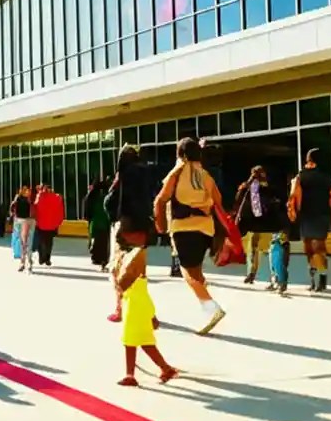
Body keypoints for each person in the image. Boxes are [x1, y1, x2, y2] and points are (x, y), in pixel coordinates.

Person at [154, 137, 226, 335]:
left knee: (186, 273)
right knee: (196, 271)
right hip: (205, 229)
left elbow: (161, 199)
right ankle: (206, 309)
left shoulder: (177, 173)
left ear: (181, 154)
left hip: (183, 228)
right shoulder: (205, 175)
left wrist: (159, 224)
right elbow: (218, 201)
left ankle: (212, 309)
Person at [112, 228, 177, 387]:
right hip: (133, 305)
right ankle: (153, 370)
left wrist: (152, 315)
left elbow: (127, 285)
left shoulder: (136, 257)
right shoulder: (129, 257)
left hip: (137, 306)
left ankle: (159, 369)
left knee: (136, 341)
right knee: (136, 341)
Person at [104, 146, 154, 321]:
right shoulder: (146, 175)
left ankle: (120, 310)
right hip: (142, 229)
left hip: (124, 228)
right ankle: (148, 313)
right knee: (139, 273)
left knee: (118, 270)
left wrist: (113, 217)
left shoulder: (123, 176)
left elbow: (109, 202)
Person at [290, 149, 331, 293]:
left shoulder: (300, 176)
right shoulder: (326, 178)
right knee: (319, 248)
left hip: (306, 216)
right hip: (322, 216)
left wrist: (293, 213)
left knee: (308, 249)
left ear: (308, 159)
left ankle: (313, 280)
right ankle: (322, 279)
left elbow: (293, 195)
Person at [233, 166, 284, 286]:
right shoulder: (270, 188)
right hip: (269, 223)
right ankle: (274, 276)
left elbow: (237, 200)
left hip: (253, 223)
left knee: (253, 248)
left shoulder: (248, 187)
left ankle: (251, 272)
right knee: (272, 250)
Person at [33, 183, 64, 267]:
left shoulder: (40, 196)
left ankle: (41, 257)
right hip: (52, 225)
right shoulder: (57, 198)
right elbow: (60, 211)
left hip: (41, 224)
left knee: (41, 242)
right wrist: (59, 222)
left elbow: (35, 208)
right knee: (49, 242)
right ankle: (47, 258)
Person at [85, 179, 112, 271]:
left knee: (95, 239)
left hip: (95, 222)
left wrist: (87, 218)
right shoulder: (108, 196)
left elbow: (87, 208)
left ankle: (96, 257)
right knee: (105, 242)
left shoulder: (93, 196)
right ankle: (104, 260)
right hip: (106, 223)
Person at [10, 186, 35, 272]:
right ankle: (26, 261)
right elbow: (13, 209)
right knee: (23, 243)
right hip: (21, 221)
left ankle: (26, 261)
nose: (27, 191)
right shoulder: (18, 198)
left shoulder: (31, 198)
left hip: (27, 221)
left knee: (26, 243)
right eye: (25, 189)